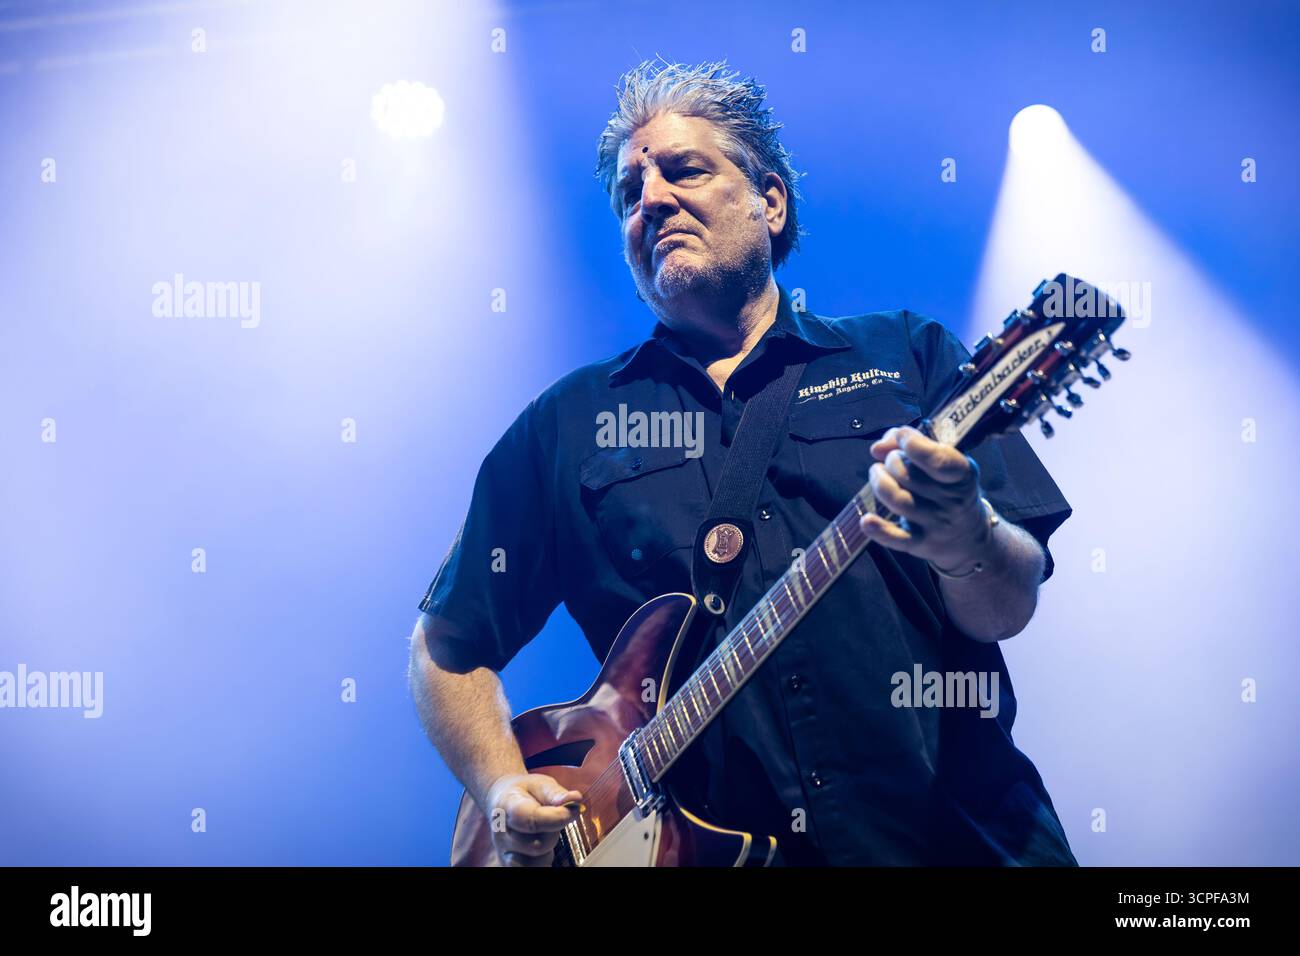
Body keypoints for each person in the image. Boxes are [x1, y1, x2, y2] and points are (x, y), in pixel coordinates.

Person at [408, 59, 1077, 866]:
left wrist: (966, 535)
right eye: (630, 193)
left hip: (964, 844)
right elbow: (446, 646)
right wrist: (500, 787)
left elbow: (1007, 606)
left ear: (770, 200)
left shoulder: (908, 355)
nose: (651, 200)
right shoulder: (567, 425)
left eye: (684, 170)